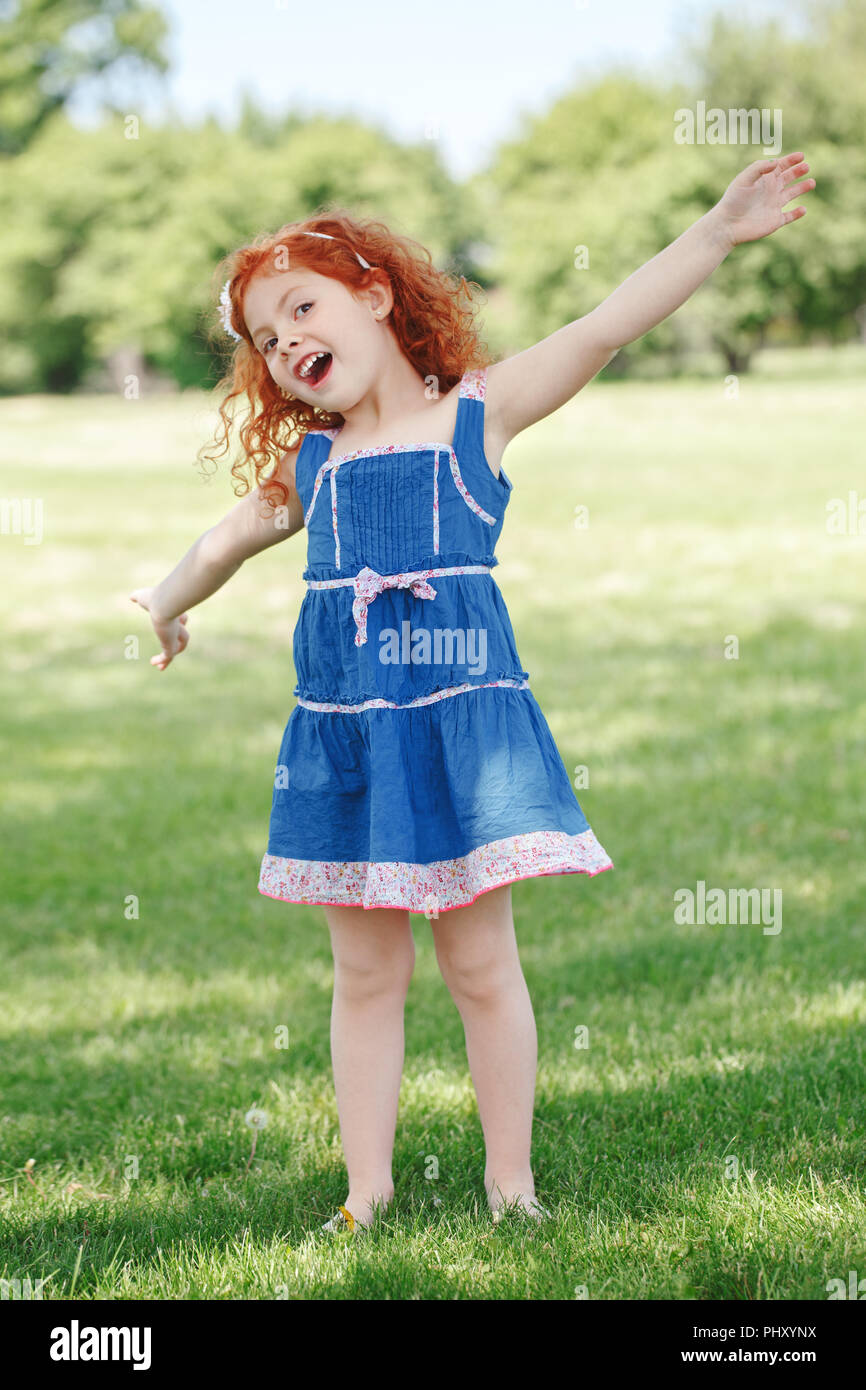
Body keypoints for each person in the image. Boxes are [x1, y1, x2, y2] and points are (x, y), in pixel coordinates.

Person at [129, 154, 814, 1233]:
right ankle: (366, 1190)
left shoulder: (474, 418)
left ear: (374, 294)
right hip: (349, 741)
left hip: (460, 733)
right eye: (264, 336)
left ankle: (510, 1183)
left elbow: (600, 327)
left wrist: (716, 232)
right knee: (363, 974)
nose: (284, 341)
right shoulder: (312, 466)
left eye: (301, 307)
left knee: (479, 963)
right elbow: (225, 541)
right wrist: (167, 599)